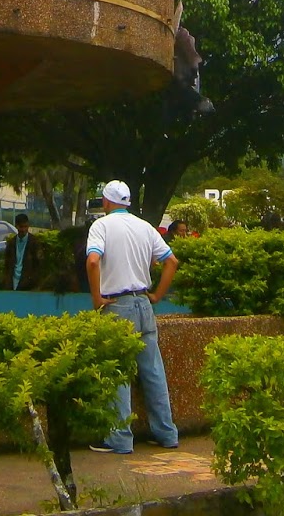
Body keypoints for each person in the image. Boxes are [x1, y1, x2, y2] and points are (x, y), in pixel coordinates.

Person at [87, 180, 180, 454]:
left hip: (117, 305)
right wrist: (156, 296)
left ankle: (119, 439)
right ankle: (166, 434)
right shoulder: (144, 227)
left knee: (118, 372)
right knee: (153, 372)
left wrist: (96, 298)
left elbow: (93, 261)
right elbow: (171, 261)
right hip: (143, 303)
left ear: (106, 201)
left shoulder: (100, 227)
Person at [3, 213, 42, 291]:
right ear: (16, 226)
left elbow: (38, 264)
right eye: (21, 227)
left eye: (26, 227)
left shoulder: (34, 242)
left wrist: (34, 281)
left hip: (28, 283)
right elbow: (7, 263)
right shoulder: (11, 243)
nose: (24, 230)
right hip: (12, 282)